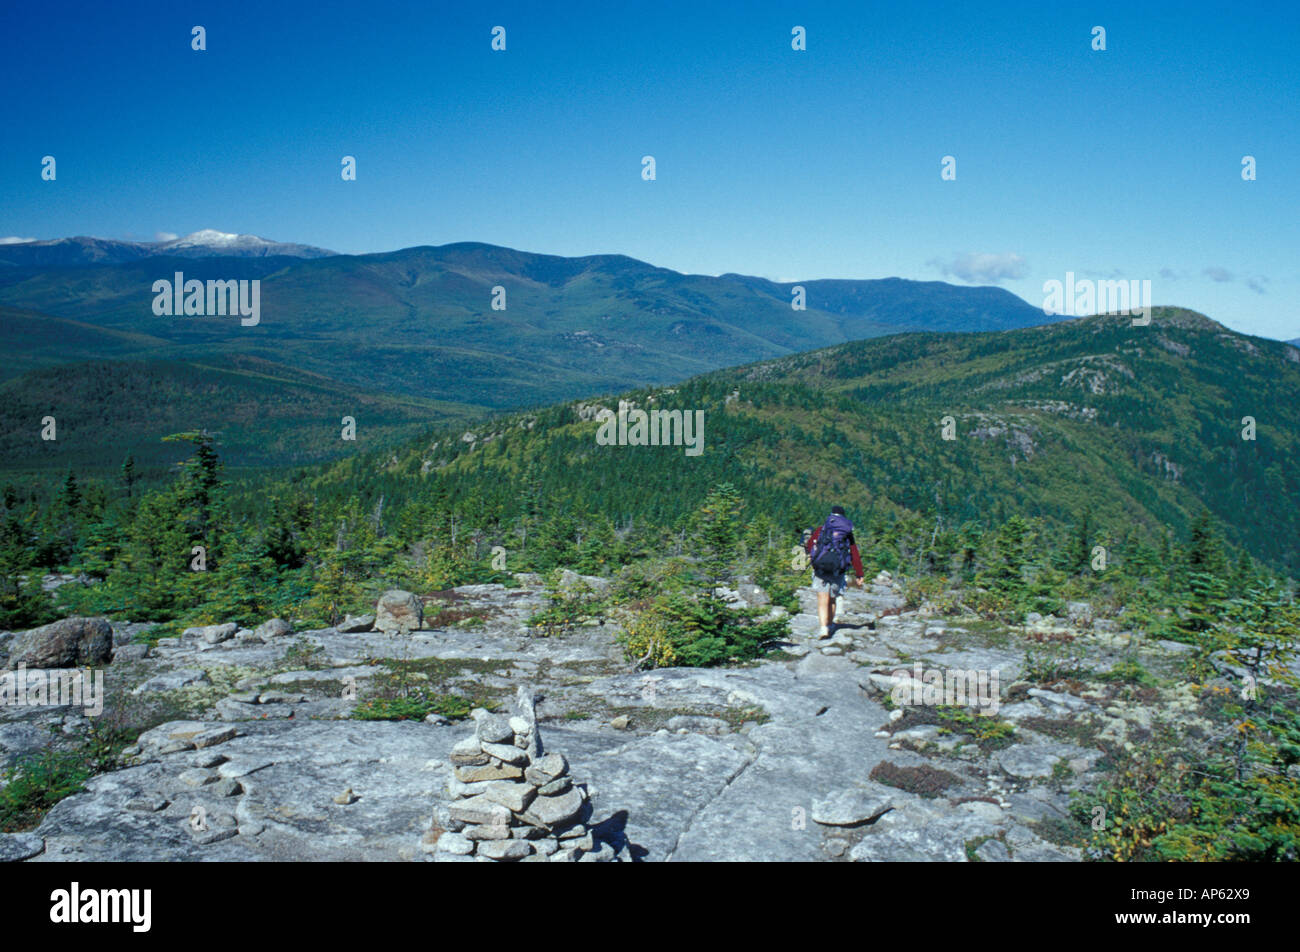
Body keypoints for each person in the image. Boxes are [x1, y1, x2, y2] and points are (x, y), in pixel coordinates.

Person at [805, 505, 865, 638]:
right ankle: (830, 624)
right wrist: (859, 573)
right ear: (843, 517)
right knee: (832, 598)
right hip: (838, 569)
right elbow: (854, 553)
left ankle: (823, 629)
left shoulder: (822, 529)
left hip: (821, 568)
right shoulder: (847, 533)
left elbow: (810, 546)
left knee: (822, 598)